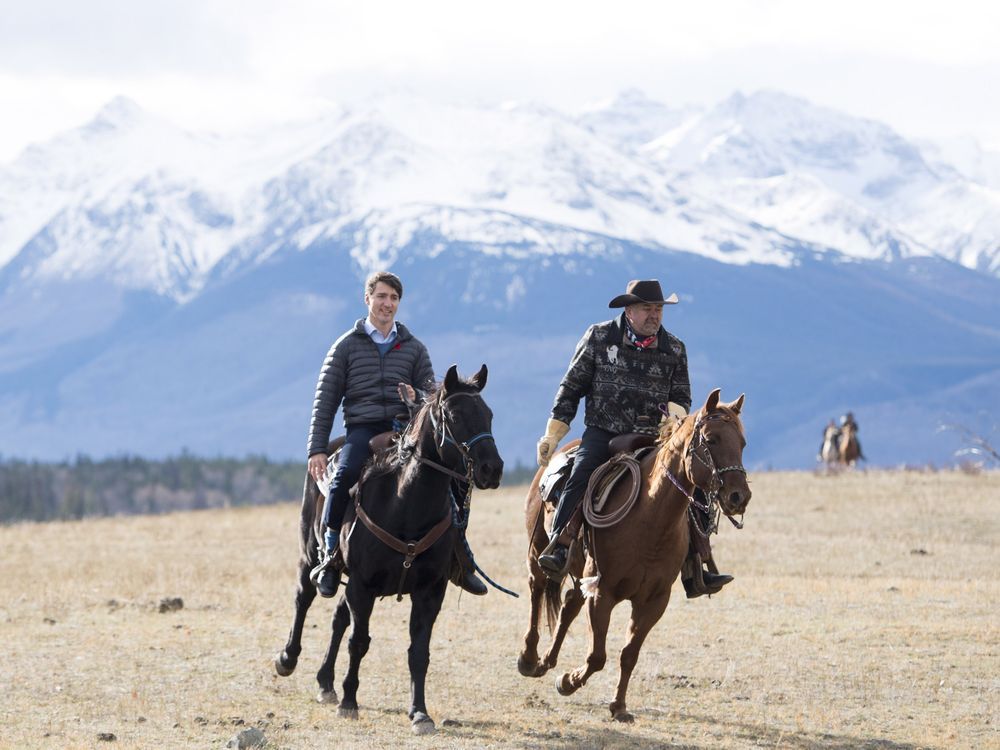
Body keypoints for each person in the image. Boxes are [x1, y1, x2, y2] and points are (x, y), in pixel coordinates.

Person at [534, 279, 733, 596]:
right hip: (603, 432)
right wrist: (553, 433)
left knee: (691, 489)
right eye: (646, 309)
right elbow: (571, 388)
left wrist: (672, 425)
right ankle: (560, 544)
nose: (654, 315)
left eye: (658, 309)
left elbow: (681, 395)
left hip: (654, 438)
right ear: (629, 311)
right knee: (580, 474)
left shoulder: (675, 348)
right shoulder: (599, 338)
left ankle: (697, 567)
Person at [306, 271, 487, 598]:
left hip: (407, 429)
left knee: (457, 476)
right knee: (344, 474)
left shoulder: (414, 348)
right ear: (368, 299)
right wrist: (317, 449)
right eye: (381, 296)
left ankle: (459, 557)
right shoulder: (345, 347)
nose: (387, 304)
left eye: (393, 298)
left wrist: (415, 396)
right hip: (363, 430)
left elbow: (434, 396)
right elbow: (325, 400)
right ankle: (330, 556)